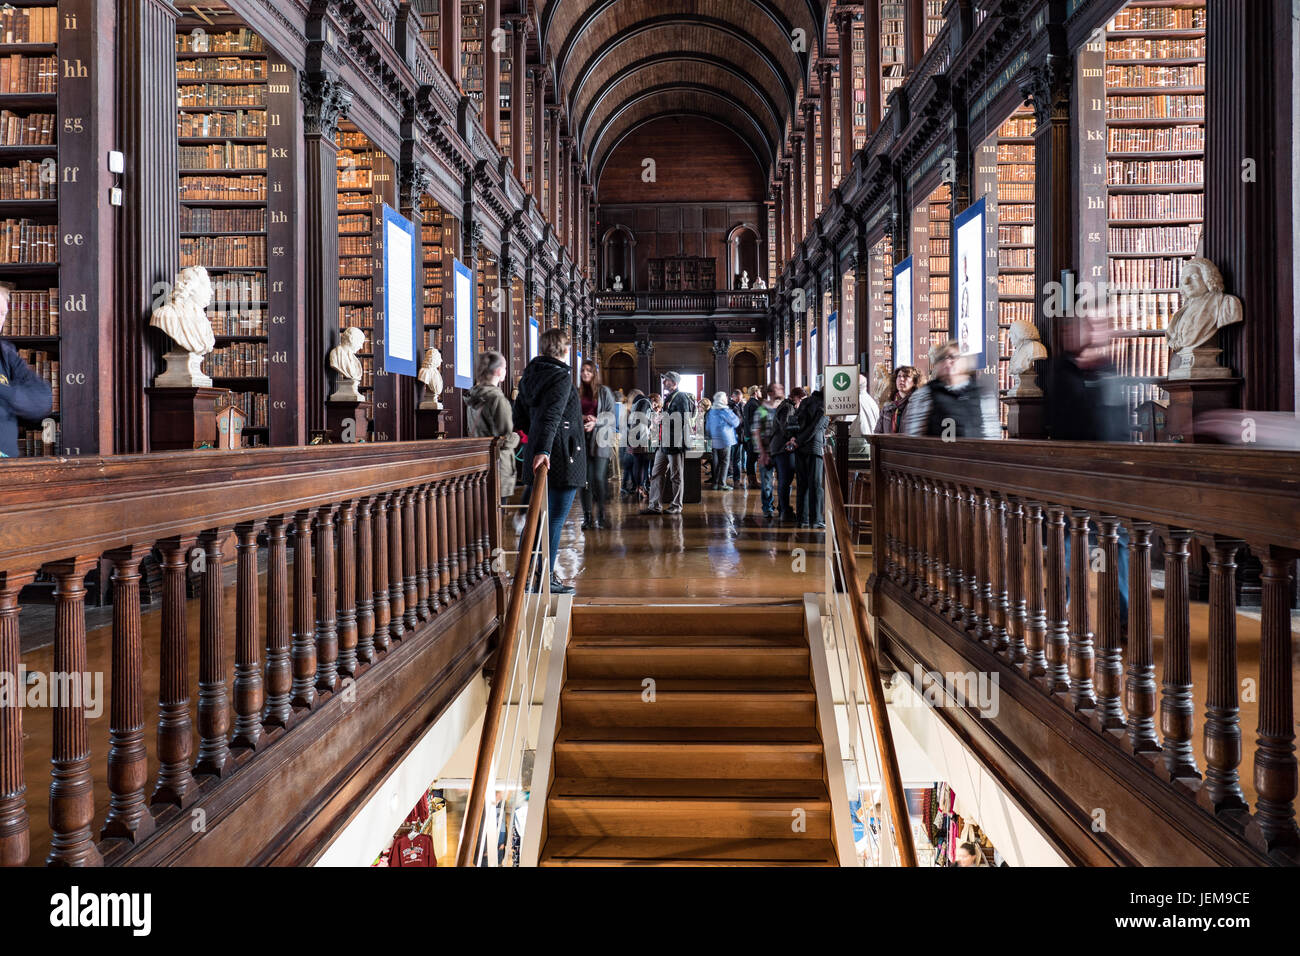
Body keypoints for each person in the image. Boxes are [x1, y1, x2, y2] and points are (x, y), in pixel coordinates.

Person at [1046, 309, 1131, 627]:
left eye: (1101, 327)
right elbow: (1066, 420)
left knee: (1118, 543)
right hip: (1075, 474)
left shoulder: (1109, 369)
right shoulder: (1062, 370)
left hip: (1112, 474)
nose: (1096, 333)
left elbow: (1117, 424)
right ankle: (1059, 604)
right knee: (1068, 540)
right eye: (1089, 327)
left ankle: (1122, 615)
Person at [513, 327, 586, 594]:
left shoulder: (530, 375)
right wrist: (544, 449)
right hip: (559, 457)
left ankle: (525, 575)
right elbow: (552, 415)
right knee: (554, 519)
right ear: (564, 349)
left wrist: (536, 445)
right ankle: (545, 578)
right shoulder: (561, 375)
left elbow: (519, 418)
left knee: (536, 518)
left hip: (537, 453)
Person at [900, 341, 1000, 439]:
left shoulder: (981, 394)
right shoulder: (925, 394)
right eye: (942, 358)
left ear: (965, 361)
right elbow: (914, 437)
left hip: (975, 453)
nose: (947, 362)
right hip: (938, 454)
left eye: (953, 357)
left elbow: (992, 435)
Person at [0, 284, 53, 459]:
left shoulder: (6, 353)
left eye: (2, 313)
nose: (0, 319)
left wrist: (4, 393)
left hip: (7, 466)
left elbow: (42, 399)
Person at [465, 350, 520, 499]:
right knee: (496, 516)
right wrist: (517, 437)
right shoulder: (497, 399)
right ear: (498, 371)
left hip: (479, 465)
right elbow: (505, 439)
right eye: (505, 368)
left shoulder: (473, 396)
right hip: (498, 467)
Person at [642, 371, 694, 515]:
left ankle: (677, 506)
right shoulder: (670, 397)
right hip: (663, 443)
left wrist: (662, 419)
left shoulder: (681, 397)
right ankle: (654, 506)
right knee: (656, 473)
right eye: (664, 380)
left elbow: (683, 419)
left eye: (666, 380)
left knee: (676, 476)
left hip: (675, 443)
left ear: (674, 382)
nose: (664, 382)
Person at [578, 360, 616, 530]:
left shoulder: (604, 392)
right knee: (584, 481)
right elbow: (570, 414)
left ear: (594, 373)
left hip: (600, 440)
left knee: (599, 479)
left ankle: (601, 514)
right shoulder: (577, 392)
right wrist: (583, 419)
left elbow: (611, 416)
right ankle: (587, 517)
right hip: (581, 440)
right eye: (583, 370)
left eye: (588, 371)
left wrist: (596, 422)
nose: (585, 373)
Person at [788, 386, 829, 529]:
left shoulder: (806, 401)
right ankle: (816, 519)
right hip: (814, 448)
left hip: (800, 449)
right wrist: (800, 441)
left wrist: (795, 439)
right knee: (816, 485)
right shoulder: (824, 405)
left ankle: (802, 519)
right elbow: (815, 427)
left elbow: (794, 421)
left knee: (802, 484)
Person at [770, 386, 805, 523]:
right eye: (802, 400)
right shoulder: (788, 407)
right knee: (785, 480)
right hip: (782, 448)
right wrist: (793, 437)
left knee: (783, 480)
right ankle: (785, 510)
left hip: (778, 447)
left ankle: (783, 508)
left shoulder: (785, 405)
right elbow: (786, 427)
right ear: (797, 397)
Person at [752, 383, 785, 518]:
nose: (782, 390)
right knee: (767, 483)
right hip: (767, 452)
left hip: (782, 452)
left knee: (784, 482)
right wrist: (762, 453)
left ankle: (783, 507)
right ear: (771, 393)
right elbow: (756, 432)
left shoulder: (783, 408)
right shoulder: (762, 410)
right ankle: (767, 508)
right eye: (779, 388)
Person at [705, 390, 741, 491]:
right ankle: (722, 483)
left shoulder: (711, 411)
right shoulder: (725, 410)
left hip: (713, 440)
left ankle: (715, 483)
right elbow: (735, 422)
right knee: (725, 462)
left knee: (715, 463)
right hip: (725, 440)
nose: (727, 399)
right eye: (725, 397)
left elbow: (707, 427)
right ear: (721, 399)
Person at [623, 388, 653, 501]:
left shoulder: (634, 405)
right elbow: (644, 418)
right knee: (644, 463)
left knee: (637, 462)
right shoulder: (645, 401)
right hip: (642, 436)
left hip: (633, 435)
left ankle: (638, 488)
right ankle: (641, 488)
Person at [874, 365, 921, 435]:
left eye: (906, 376)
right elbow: (878, 433)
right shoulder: (887, 407)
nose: (901, 379)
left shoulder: (919, 406)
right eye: (899, 376)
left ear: (914, 382)